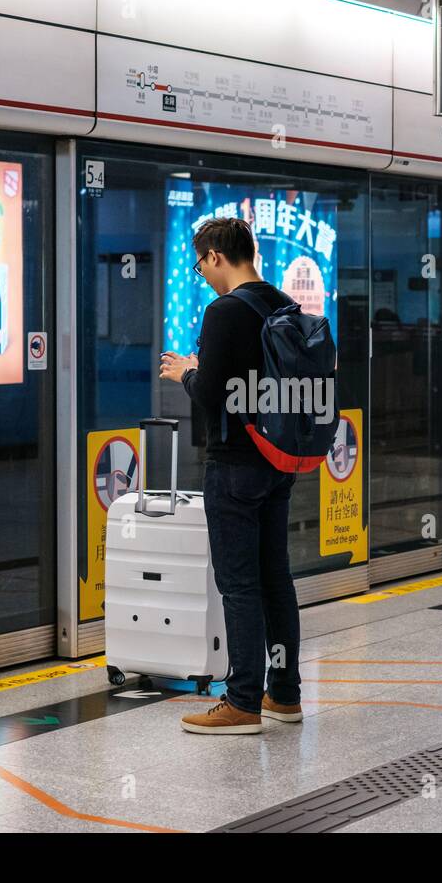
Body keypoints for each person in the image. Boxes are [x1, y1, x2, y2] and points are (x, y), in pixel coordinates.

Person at [158, 217, 304, 735]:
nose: (201, 274)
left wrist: (186, 372)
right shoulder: (282, 302)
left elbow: (212, 393)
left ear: (216, 256)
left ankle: (242, 700)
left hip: (235, 462)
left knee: (239, 585)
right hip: (277, 459)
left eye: (200, 265)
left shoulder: (224, 311)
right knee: (274, 579)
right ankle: (283, 694)